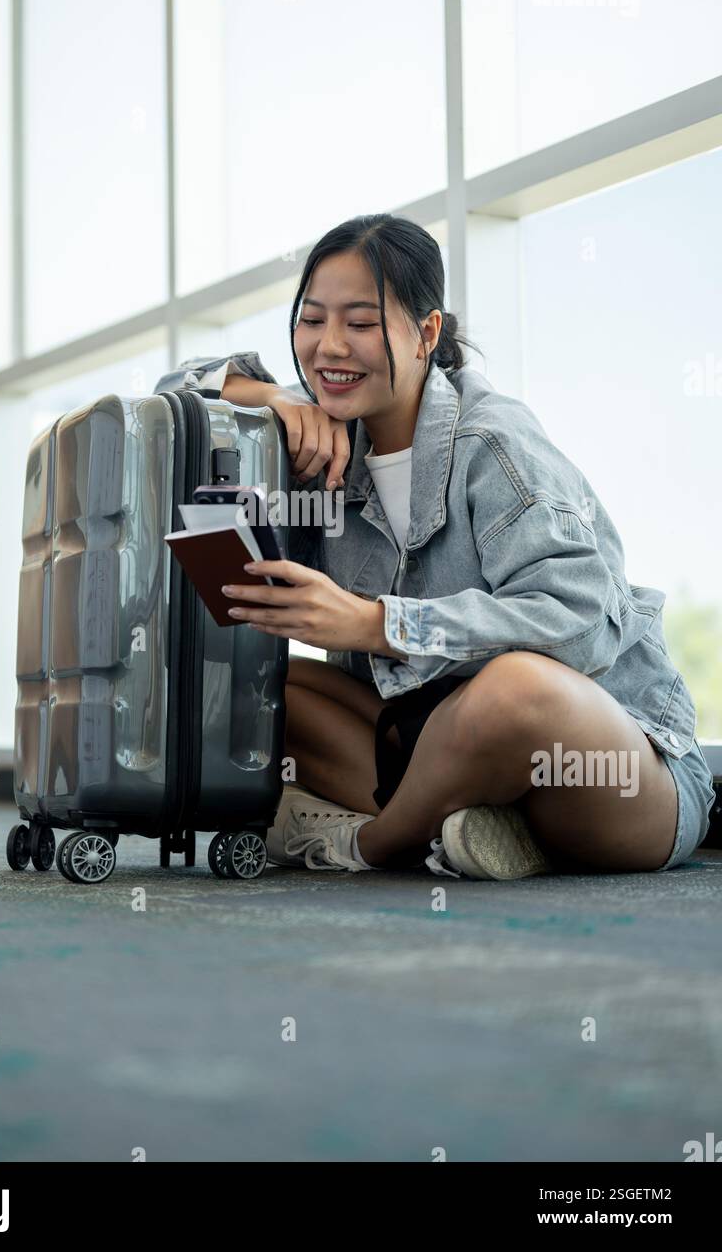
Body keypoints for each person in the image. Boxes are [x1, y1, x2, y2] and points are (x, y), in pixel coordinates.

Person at [154, 213, 715, 880]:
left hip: (608, 774)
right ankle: (467, 834)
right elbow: (171, 398)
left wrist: (375, 624)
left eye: (360, 324)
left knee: (514, 689)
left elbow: (579, 626)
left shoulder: (494, 443)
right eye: (312, 320)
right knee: (242, 681)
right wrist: (275, 397)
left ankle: (370, 844)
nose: (330, 346)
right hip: (434, 759)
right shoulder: (326, 436)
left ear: (426, 333)